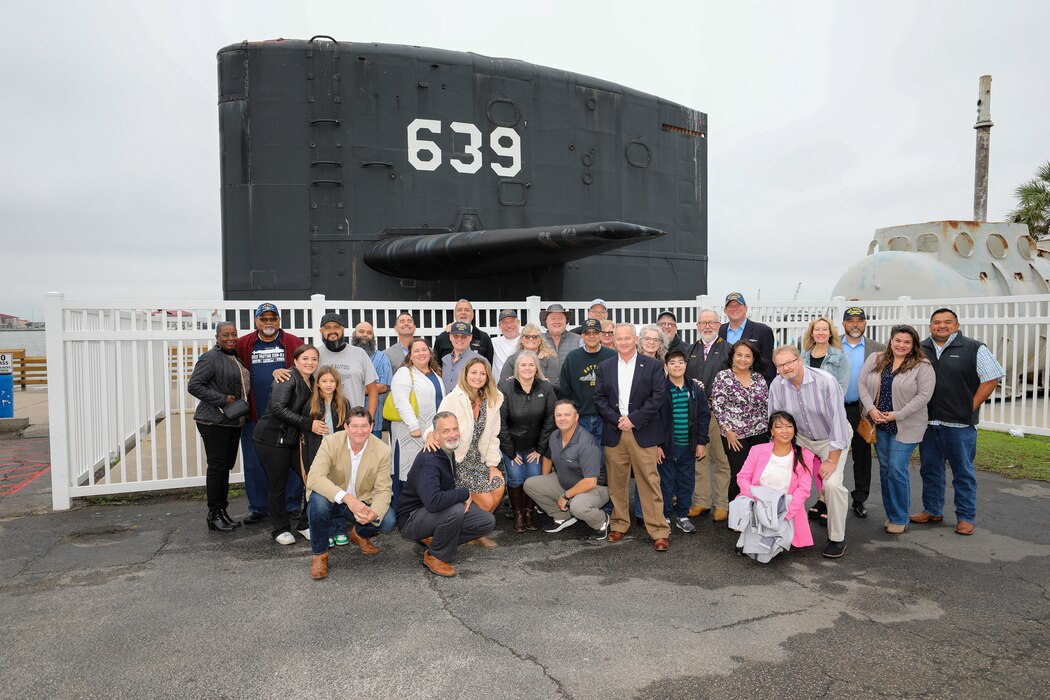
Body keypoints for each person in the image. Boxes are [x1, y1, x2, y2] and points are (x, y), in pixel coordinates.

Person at [913, 309, 1005, 536]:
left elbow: (991, 378)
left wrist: (970, 407)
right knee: (930, 469)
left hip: (960, 425)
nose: (941, 326)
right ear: (930, 325)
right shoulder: (920, 349)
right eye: (936, 322)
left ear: (957, 325)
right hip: (928, 423)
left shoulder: (974, 348)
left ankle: (965, 517)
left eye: (947, 322)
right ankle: (932, 510)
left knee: (962, 472)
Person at [768, 344, 853, 558]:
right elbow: (777, 421)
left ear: (800, 359)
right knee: (783, 479)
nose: (786, 368)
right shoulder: (777, 385)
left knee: (832, 485)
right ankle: (781, 532)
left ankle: (837, 538)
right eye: (781, 365)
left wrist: (832, 460)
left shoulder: (826, 381)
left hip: (831, 438)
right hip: (801, 439)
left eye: (789, 362)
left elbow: (838, 424)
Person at [593, 323, 670, 550]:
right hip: (615, 431)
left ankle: (658, 531)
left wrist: (633, 419)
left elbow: (658, 398)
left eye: (628, 338)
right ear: (613, 341)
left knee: (650, 482)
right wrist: (618, 419)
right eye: (619, 338)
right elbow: (598, 399)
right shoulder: (605, 366)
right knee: (617, 483)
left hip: (643, 431)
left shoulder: (654, 365)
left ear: (635, 339)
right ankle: (618, 525)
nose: (624, 342)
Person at [396, 412, 497, 577]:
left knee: (486, 522)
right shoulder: (429, 460)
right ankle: (435, 555)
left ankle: (439, 541)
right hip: (411, 518)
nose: (452, 434)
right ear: (435, 435)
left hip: (432, 514)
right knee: (456, 509)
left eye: (455, 429)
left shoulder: (447, 451)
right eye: (446, 431)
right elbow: (433, 502)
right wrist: (464, 493)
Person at [858, 325, 936, 534]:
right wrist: (872, 410)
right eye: (897, 340)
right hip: (880, 423)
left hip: (907, 425)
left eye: (906, 342)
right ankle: (892, 514)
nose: (901, 345)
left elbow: (923, 397)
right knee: (885, 469)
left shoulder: (922, 366)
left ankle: (900, 517)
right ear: (891, 341)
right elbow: (862, 385)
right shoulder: (876, 358)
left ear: (913, 346)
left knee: (896, 468)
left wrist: (897, 414)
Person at [305, 408, 395, 580]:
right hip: (333, 499)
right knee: (317, 502)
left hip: (361, 502)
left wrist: (373, 513)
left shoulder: (383, 450)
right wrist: (347, 499)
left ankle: (359, 534)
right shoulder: (330, 442)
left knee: (388, 520)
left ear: (371, 426)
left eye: (364, 426)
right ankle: (320, 555)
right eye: (354, 426)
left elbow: (383, 489)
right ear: (346, 426)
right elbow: (314, 478)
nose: (359, 431)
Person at [235, 303, 304, 525]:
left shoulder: (293, 342)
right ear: (256, 321)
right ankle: (258, 507)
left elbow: (306, 368)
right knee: (254, 463)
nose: (268, 323)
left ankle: (292, 504)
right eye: (263, 319)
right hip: (255, 415)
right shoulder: (244, 343)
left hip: (287, 415)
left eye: (272, 319)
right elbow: (227, 359)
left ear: (278, 321)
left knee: (291, 461)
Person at [425, 358, 505, 542]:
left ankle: (478, 530)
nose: (478, 377)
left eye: (482, 373)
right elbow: (439, 422)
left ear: (487, 377)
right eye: (474, 372)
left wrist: (493, 465)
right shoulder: (454, 398)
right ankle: (473, 531)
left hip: (479, 459)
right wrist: (430, 434)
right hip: (458, 461)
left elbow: (493, 435)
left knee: (499, 487)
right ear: (466, 374)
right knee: (487, 501)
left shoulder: (492, 400)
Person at [252, 344, 318, 545]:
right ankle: (279, 529)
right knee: (277, 483)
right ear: (295, 361)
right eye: (305, 358)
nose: (309, 362)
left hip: (293, 440)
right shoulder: (287, 378)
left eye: (314, 359)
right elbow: (278, 408)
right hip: (271, 439)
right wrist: (308, 424)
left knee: (313, 479)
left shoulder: (313, 381)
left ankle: (304, 524)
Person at [188, 322, 250, 533]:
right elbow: (194, 385)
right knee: (217, 468)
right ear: (217, 337)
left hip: (232, 421)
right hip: (214, 422)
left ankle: (222, 511)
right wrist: (223, 399)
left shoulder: (234, 356)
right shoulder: (210, 358)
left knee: (225, 467)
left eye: (234, 334)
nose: (230, 338)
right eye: (225, 334)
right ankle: (214, 514)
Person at [525, 400, 611, 539]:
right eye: (558, 415)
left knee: (577, 507)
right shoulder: (555, 436)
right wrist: (545, 483)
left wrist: (565, 495)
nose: (562, 418)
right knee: (531, 484)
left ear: (576, 417)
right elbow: (548, 458)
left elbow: (590, 482)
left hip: (595, 489)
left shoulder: (586, 443)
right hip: (566, 482)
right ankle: (562, 517)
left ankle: (601, 521)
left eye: (567, 414)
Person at [735, 411, 816, 550]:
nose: (785, 431)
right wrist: (755, 500)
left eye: (789, 426)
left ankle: (777, 531)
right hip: (758, 501)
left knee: (772, 549)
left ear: (794, 430)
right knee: (758, 549)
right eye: (779, 427)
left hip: (784, 504)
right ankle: (747, 535)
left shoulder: (805, 455)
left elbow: (803, 490)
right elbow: (742, 477)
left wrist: (785, 513)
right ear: (772, 431)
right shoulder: (757, 450)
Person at [499, 351, 557, 532]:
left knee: (532, 479)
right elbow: (500, 422)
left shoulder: (546, 388)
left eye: (531, 365)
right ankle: (518, 513)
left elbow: (550, 419)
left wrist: (540, 449)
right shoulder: (505, 388)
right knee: (516, 477)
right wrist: (510, 451)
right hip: (512, 446)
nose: (527, 368)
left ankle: (529, 513)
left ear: (536, 368)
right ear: (517, 368)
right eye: (523, 365)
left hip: (535, 446)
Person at [709, 340, 771, 505]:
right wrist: (727, 430)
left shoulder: (759, 378)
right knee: (739, 474)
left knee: (758, 474)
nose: (743, 359)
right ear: (732, 357)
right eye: (739, 355)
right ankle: (737, 515)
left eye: (747, 356)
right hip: (735, 436)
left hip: (760, 434)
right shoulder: (723, 376)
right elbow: (718, 405)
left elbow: (767, 405)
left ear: (753, 359)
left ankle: (758, 513)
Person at [684, 308, 732, 520]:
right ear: (697, 326)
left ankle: (722, 504)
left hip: (720, 414)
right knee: (699, 458)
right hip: (695, 414)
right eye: (703, 323)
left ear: (719, 325)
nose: (707, 326)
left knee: (722, 460)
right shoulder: (689, 350)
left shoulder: (729, 350)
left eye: (712, 322)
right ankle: (702, 501)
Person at [657, 350, 710, 533]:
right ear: (666, 366)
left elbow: (704, 416)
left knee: (686, 481)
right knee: (666, 482)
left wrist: (701, 442)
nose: (677, 365)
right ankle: (665, 516)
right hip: (666, 447)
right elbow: (654, 419)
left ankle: (682, 516)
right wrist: (657, 445)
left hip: (688, 445)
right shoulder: (660, 389)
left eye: (680, 362)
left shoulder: (694, 389)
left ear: (686, 365)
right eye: (672, 363)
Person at [389, 338, 445, 506]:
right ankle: (404, 512)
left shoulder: (435, 374)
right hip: (410, 432)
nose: (421, 353)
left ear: (430, 353)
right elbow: (401, 401)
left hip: (430, 432)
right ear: (410, 356)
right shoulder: (405, 373)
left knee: (426, 471)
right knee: (408, 473)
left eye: (424, 350)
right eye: (416, 351)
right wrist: (414, 427)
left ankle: (422, 511)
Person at [841, 307, 885, 519]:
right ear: (844, 324)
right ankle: (827, 499)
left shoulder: (878, 349)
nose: (855, 324)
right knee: (831, 454)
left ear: (865, 323)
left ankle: (859, 499)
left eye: (860, 320)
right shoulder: (832, 345)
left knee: (862, 455)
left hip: (862, 410)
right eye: (851, 321)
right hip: (836, 409)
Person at [298, 365, 351, 541]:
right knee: (320, 491)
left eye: (332, 381)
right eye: (324, 381)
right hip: (317, 454)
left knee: (338, 488)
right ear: (318, 384)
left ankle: (339, 527)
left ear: (337, 383)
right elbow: (304, 435)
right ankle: (325, 530)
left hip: (338, 454)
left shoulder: (344, 403)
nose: (328, 384)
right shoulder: (310, 405)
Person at [297, 313, 379, 423]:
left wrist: (370, 419)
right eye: (327, 328)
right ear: (321, 331)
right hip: (324, 422)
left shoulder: (359, 354)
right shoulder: (315, 356)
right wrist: (279, 371)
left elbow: (372, 389)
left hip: (355, 421)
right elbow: (299, 377)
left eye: (336, 327)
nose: (332, 331)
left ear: (343, 330)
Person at [559, 319, 616, 445]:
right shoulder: (572, 357)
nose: (592, 336)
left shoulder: (612, 356)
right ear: (582, 336)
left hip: (605, 418)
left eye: (595, 332)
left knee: (603, 458)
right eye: (587, 333)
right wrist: (572, 414)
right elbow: (565, 389)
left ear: (601, 334)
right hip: (580, 417)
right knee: (582, 457)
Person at [719, 292, 776, 382]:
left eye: (738, 305)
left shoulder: (763, 331)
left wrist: (766, 389)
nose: (734, 309)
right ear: (725, 310)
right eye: (730, 306)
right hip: (726, 387)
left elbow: (769, 365)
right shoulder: (720, 330)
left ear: (746, 308)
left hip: (754, 389)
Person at [352, 322, 392, 439]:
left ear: (373, 336)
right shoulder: (345, 356)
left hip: (373, 422)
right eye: (361, 331)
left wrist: (354, 389)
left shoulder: (381, 358)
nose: (365, 335)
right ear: (354, 334)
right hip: (346, 419)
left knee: (371, 455)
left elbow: (384, 386)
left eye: (369, 333)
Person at [499, 323, 560, 389]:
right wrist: (512, 383)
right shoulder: (512, 359)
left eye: (534, 337)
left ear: (540, 341)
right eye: (527, 336)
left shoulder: (549, 359)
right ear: (522, 340)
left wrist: (544, 384)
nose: (531, 339)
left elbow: (555, 385)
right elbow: (502, 384)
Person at [432, 299, 494, 364]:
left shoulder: (483, 337)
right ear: (455, 314)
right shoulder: (443, 337)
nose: (463, 313)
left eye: (467, 310)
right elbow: (436, 365)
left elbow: (488, 366)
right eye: (459, 310)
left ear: (472, 315)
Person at [800, 316, 850, 394]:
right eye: (817, 329)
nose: (820, 333)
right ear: (812, 334)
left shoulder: (841, 357)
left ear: (830, 333)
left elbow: (842, 389)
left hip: (830, 404)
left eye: (825, 329)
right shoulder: (803, 356)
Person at [540, 303, 582, 382]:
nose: (557, 321)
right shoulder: (538, 340)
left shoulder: (578, 339)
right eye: (553, 318)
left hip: (571, 389)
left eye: (560, 318)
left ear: (566, 321)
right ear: (546, 321)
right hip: (545, 390)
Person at [441, 321, 480, 394]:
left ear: (470, 338)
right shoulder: (445, 360)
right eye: (456, 336)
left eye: (463, 336)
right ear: (450, 337)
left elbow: (487, 389)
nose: (459, 339)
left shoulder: (479, 360)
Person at [490, 309, 522, 378]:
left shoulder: (527, 340)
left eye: (512, 321)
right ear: (499, 326)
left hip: (522, 386)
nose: (509, 325)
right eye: (505, 322)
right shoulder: (493, 343)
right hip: (499, 387)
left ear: (518, 322)